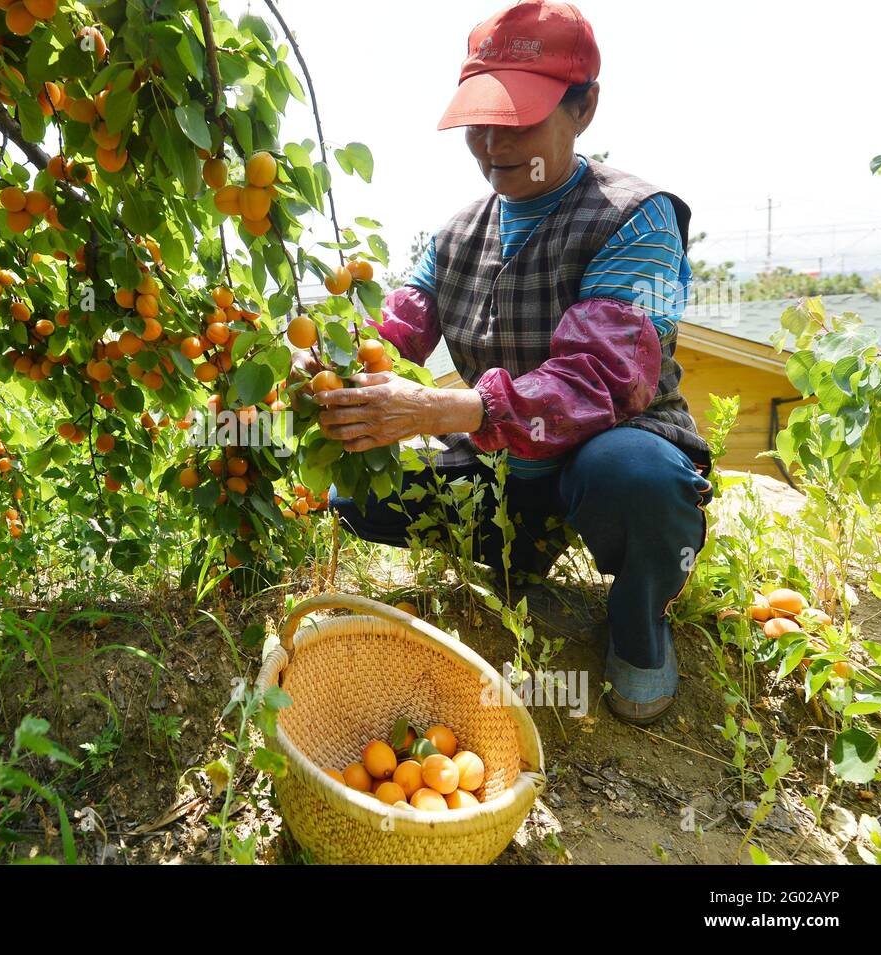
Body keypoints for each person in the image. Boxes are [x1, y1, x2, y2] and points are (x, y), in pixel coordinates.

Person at [299, 0, 714, 725]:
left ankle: (639, 623)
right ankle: (524, 554)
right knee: (357, 493)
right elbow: (394, 330)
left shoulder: (636, 216)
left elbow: (601, 379)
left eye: (517, 121)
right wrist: (323, 368)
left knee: (637, 478)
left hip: (604, 457)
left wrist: (448, 408)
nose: (493, 144)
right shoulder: (457, 233)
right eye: (479, 124)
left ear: (584, 108)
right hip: (504, 468)